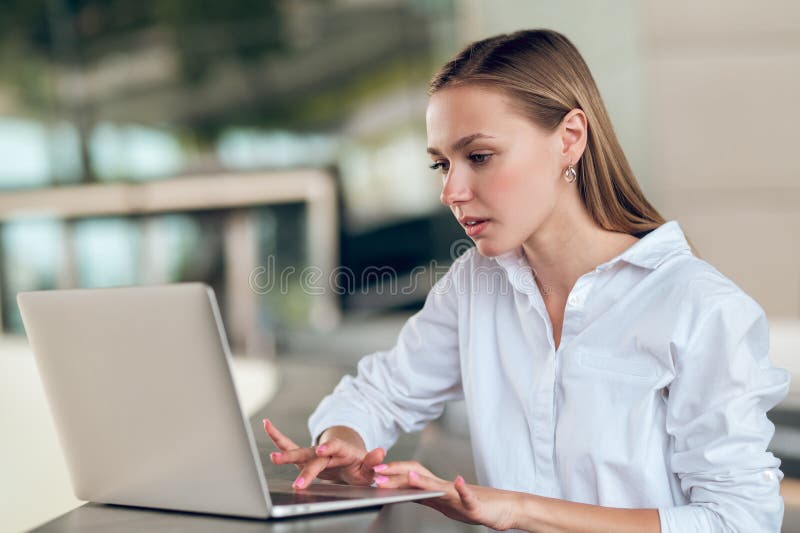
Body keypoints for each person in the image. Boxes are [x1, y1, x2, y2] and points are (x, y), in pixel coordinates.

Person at [262, 28, 790, 532]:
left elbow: (738, 521)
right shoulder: (476, 286)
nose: (451, 191)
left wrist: (516, 509)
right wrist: (343, 440)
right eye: (441, 165)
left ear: (570, 139)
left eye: (479, 157)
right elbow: (380, 394)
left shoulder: (698, 306)